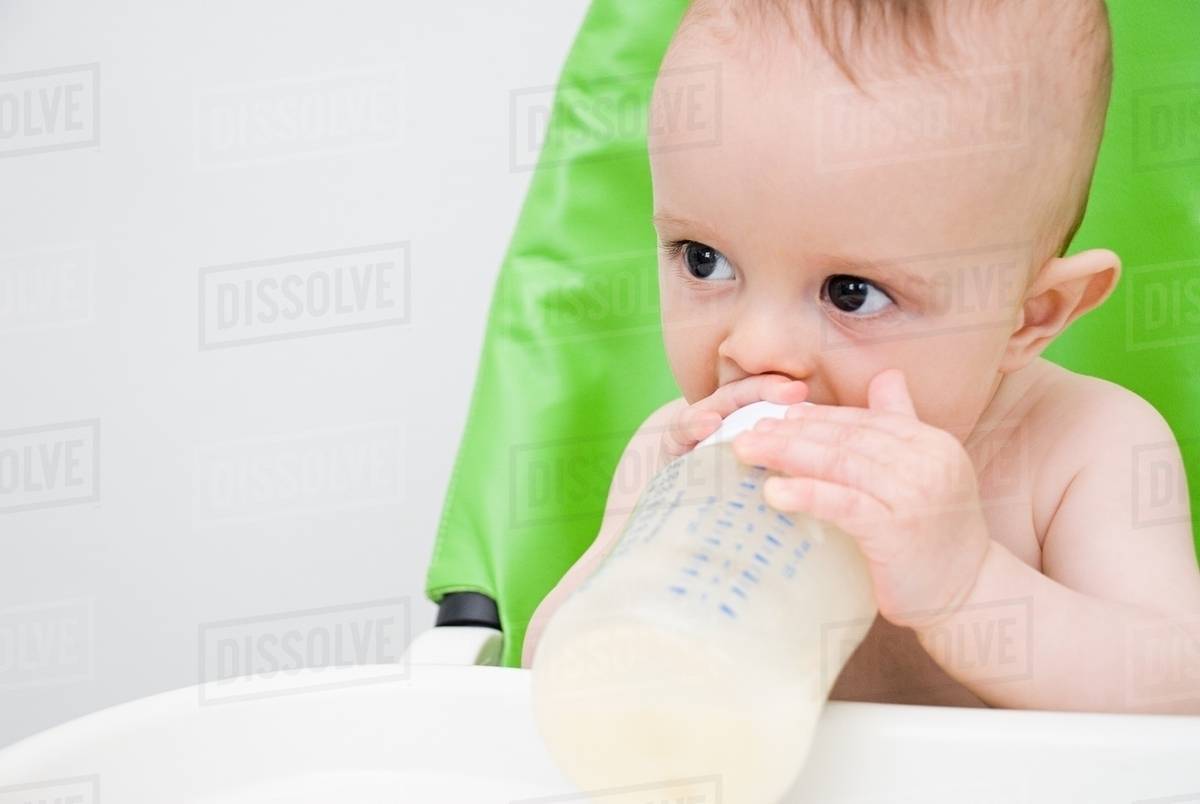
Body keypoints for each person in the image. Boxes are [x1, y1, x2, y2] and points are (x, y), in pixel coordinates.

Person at [523, 0, 1200, 713]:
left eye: (851, 294)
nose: (755, 347)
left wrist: (967, 587)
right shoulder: (674, 455)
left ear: (1031, 316)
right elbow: (548, 666)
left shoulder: (1084, 450)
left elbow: (1179, 687)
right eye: (704, 260)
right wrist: (655, 535)